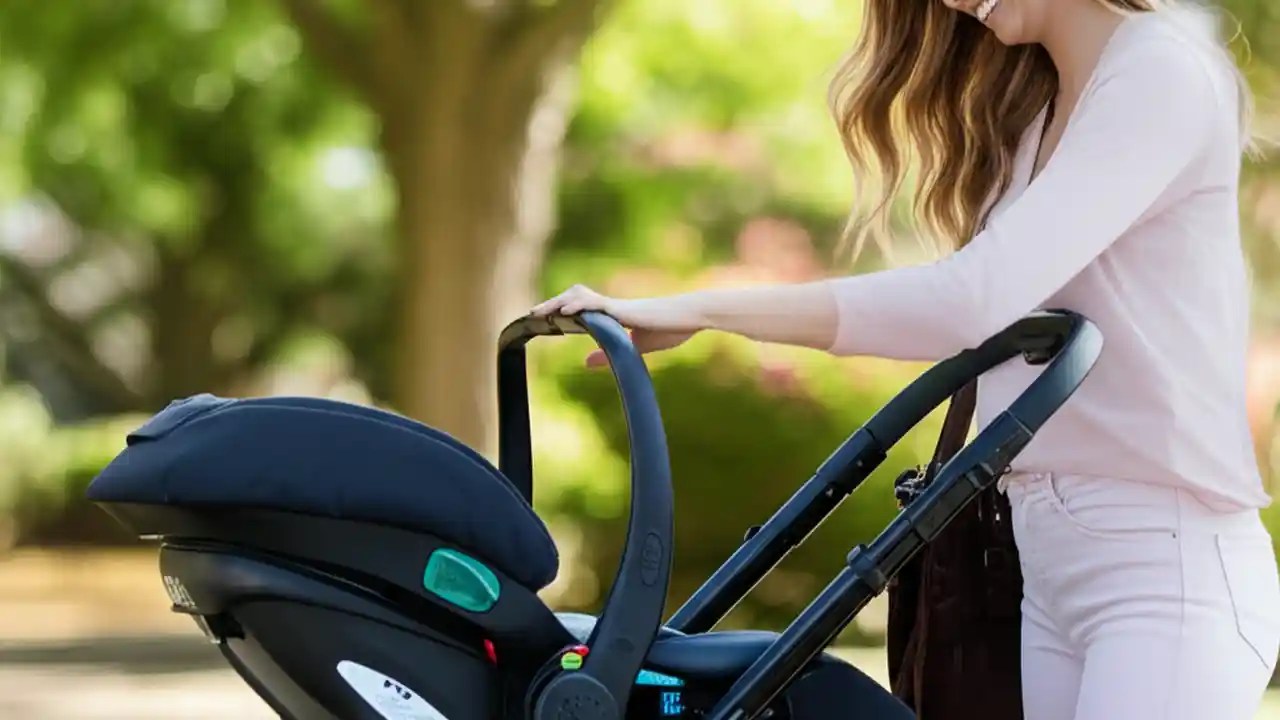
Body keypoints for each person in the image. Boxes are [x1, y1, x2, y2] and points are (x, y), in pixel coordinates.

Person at [533, 0, 1280, 718]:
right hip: (1045, 557)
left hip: (1163, 570)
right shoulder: (1043, 113)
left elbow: (970, 301)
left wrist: (707, 310)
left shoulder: (1163, 74)